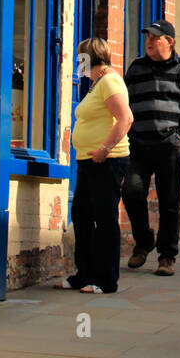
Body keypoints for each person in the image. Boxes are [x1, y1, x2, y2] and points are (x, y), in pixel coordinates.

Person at [122, 20, 180, 277]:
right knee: (131, 191)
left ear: (169, 41)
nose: (149, 41)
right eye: (147, 36)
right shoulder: (136, 68)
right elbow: (125, 103)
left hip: (170, 146)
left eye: (155, 37)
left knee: (169, 201)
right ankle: (145, 240)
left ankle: (167, 256)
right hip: (139, 144)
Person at [56, 37, 133, 295]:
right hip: (89, 161)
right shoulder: (96, 84)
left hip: (107, 161)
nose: (78, 63)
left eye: (81, 58)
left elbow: (126, 119)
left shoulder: (109, 80)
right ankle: (85, 274)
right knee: (82, 215)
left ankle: (106, 280)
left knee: (104, 218)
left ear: (90, 58)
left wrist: (104, 149)